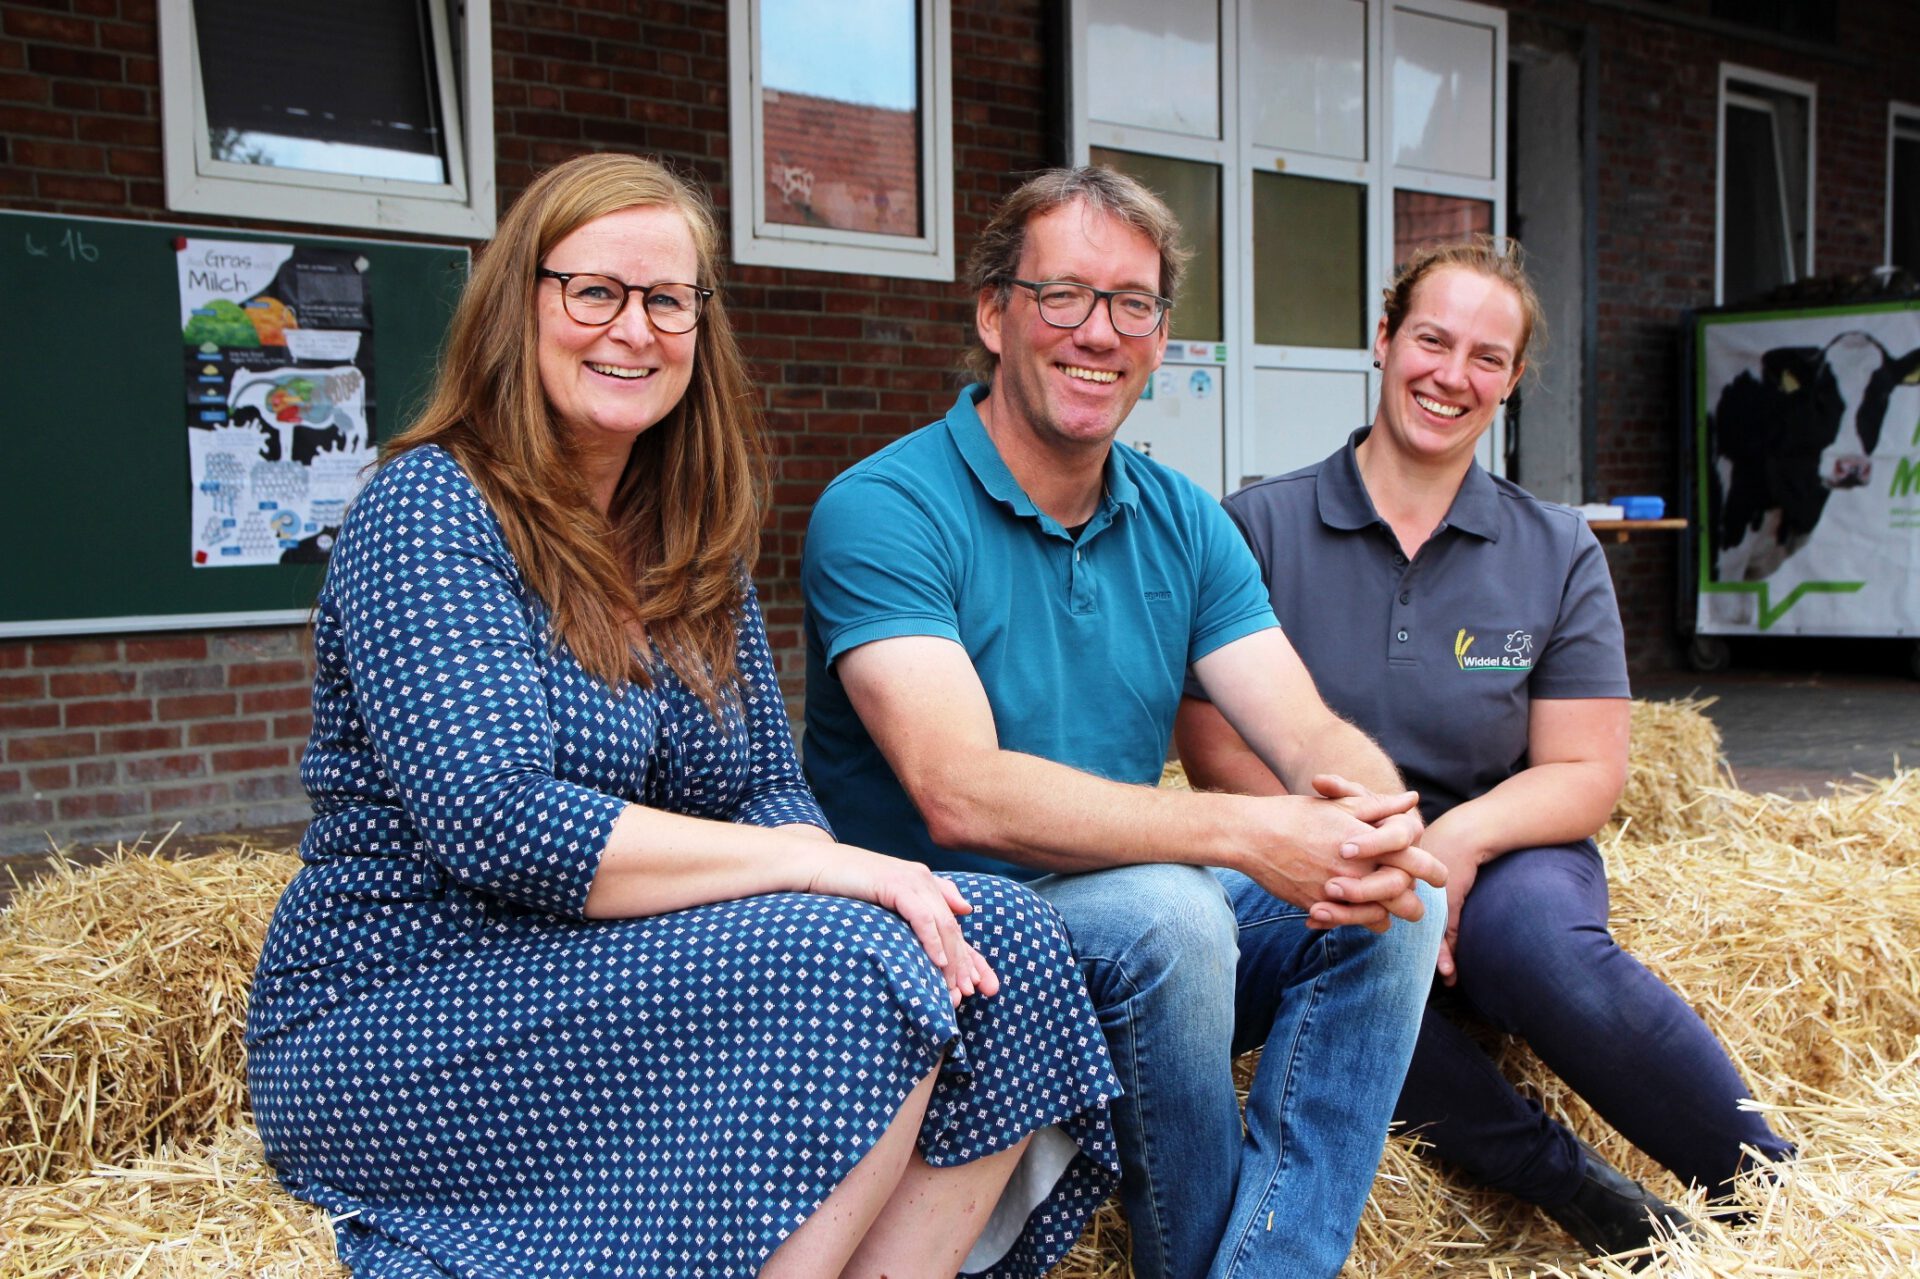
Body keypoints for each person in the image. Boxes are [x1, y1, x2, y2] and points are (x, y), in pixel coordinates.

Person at [244, 152, 1121, 1279]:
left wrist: (825, 859)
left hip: (610, 972)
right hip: (404, 1013)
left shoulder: (686, 538)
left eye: (668, 300)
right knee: (856, 956)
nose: (634, 328)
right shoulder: (431, 509)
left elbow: (764, 783)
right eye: (594, 291)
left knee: (1002, 945)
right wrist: (834, 873)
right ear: (524, 303)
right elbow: (500, 819)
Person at [801, 165, 1448, 1279]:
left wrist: (1376, 824)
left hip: (1124, 907)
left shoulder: (1181, 520)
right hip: (951, 933)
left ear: (1160, 335)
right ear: (994, 312)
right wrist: (1244, 835)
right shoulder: (885, 508)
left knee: (1406, 900)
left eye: (1133, 304)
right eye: (1064, 296)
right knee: (1177, 915)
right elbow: (960, 789)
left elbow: (1304, 728)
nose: (1098, 333)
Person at [1175, 238, 1795, 1261]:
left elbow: (1586, 769)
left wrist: (1455, 846)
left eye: (1487, 357)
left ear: (1510, 383)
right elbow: (1213, 747)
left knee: (1539, 945)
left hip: (1509, 851)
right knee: (1353, 947)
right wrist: (1380, 859)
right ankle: (1581, 1189)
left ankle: (1773, 1185)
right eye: (1431, 339)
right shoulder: (1258, 526)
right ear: (1382, 340)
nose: (1451, 375)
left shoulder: (1555, 548)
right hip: (1324, 850)